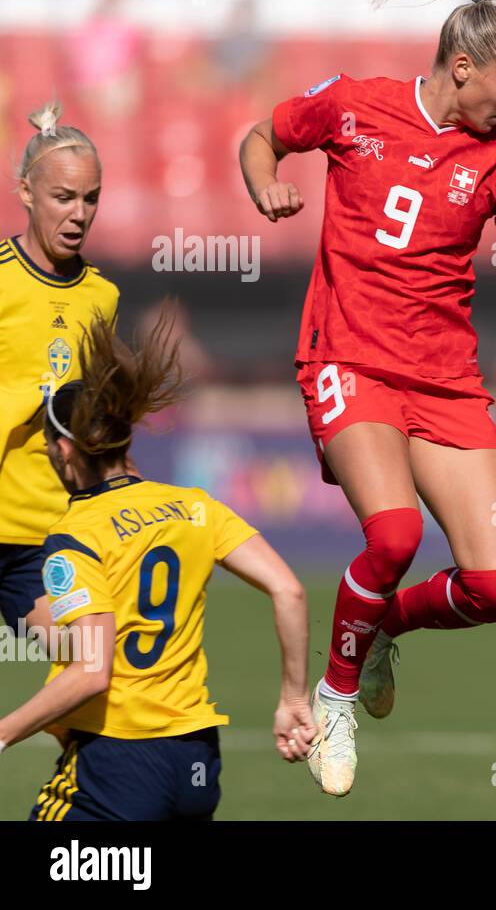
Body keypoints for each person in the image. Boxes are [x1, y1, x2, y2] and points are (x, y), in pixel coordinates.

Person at [238, 0, 496, 797]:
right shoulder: (355, 105)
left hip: (445, 380)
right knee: (393, 536)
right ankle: (334, 696)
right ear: (464, 67)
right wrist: (266, 183)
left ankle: (380, 630)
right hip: (347, 358)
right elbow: (263, 135)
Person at [0, 313, 315, 820]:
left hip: (117, 761)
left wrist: (4, 732)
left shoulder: (75, 535)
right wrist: (293, 699)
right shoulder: (194, 506)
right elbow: (290, 592)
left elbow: (90, 671)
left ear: (64, 450)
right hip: (196, 760)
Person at [0, 102, 119, 650]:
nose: (79, 214)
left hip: (43, 540)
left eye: (90, 198)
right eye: (63, 197)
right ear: (26, 192)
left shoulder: (102, 297)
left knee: (89, 670)